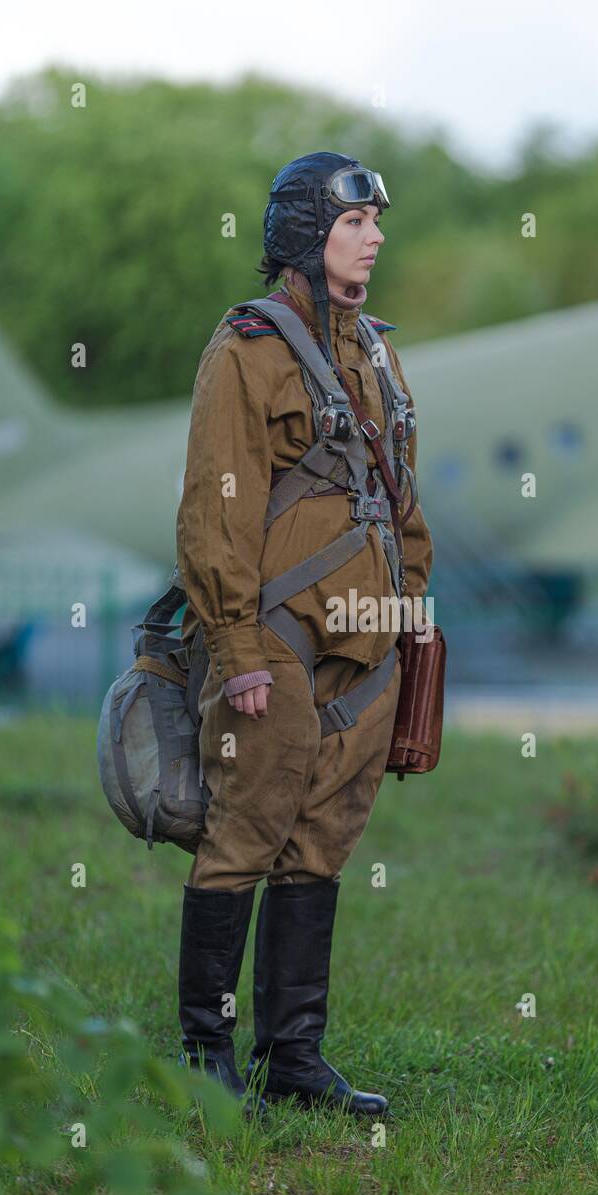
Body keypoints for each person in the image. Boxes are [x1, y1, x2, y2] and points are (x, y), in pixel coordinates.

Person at [175, 152, 433, 1117]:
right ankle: (205, 1054)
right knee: (243, 835)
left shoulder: (378, 350)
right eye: (354, 221)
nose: (374, 236)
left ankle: (295, 1058)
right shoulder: (247, 353)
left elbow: (401, 500)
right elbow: (215, 511)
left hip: (366, 648)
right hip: (274, 644)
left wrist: (410, 617)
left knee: (322, 843)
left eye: (375, 221)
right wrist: (236, 649)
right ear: (302, 235)